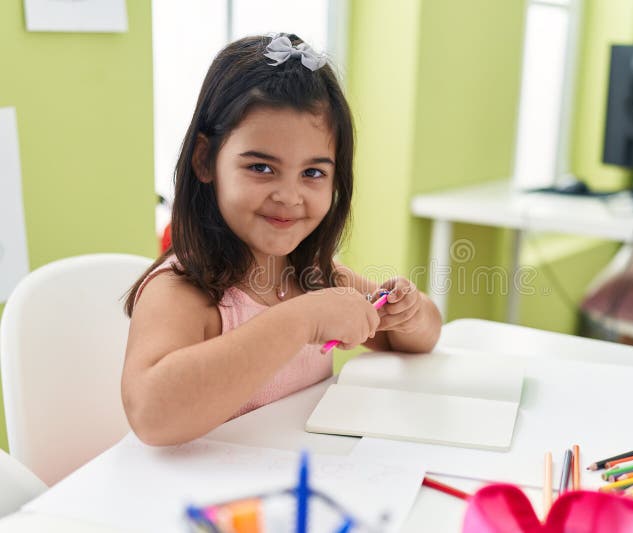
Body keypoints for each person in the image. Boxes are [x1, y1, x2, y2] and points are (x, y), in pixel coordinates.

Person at [122, 34, 442, 446]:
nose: (289, 196)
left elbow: (418, 340)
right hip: (210, 487)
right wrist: (300, 321)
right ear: (205, 159)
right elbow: (151, 414)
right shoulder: (182, 290)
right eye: (261, 167)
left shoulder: (314, 278)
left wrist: (409, 314)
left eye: (313, 173)